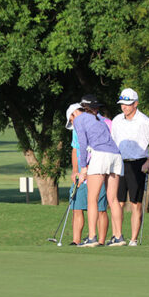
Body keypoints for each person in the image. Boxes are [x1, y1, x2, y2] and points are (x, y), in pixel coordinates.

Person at [111, 88, 149, 246]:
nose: (124, 107)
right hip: (119, 162)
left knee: (135, 203)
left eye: (128, 104)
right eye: (122, 104)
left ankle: (133, 239)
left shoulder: (144, 121)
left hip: (138, 164)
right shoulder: (116, 120)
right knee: (118, 202)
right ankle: (118, 236)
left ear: (136, 104)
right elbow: (113, 141)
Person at [69, 95, 125, 247]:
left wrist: (83, 169)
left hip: (100, 156)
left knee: (92, 198)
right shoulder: (101, 120)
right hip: (116, 156)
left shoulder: (80, 120)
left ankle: (92, 237)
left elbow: (82, 144)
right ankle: (118, 237)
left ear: (82, 108)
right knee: (113, 199)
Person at [65, 103, 109, 246]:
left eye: (71, 120)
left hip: (97, 171)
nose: (73, 123)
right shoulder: (76, 130)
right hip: (82, 174)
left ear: (75, 114)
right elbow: (75, 150)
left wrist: (87, 168)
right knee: (77, 207)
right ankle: (76, 240)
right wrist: (75, 171)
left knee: (100, 208)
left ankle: (101, 241)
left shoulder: (99, 124)